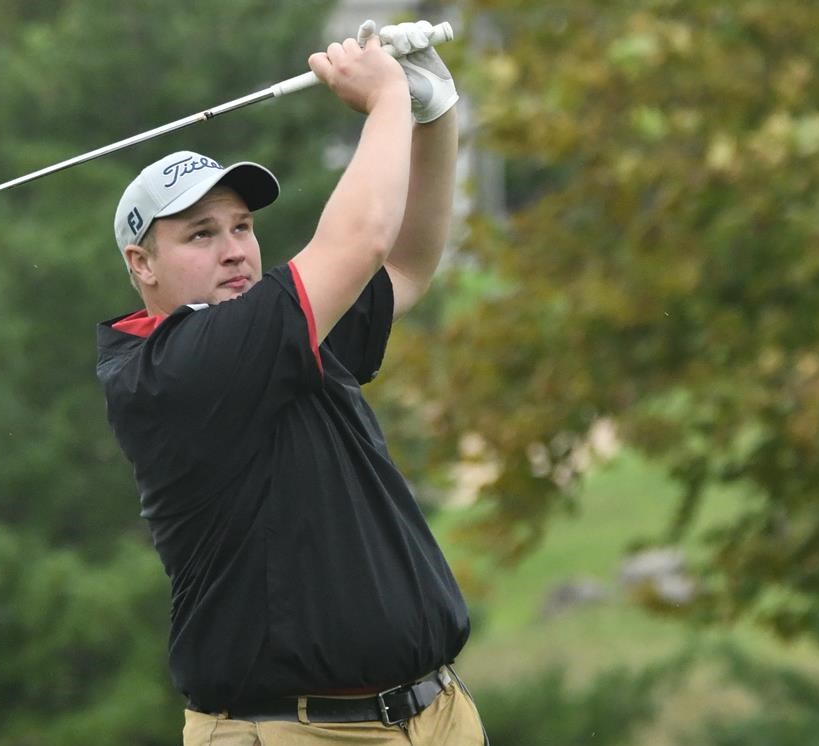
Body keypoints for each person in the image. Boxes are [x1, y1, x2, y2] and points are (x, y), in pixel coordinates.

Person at [96, 19, 485, 746]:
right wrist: (387, 100)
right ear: (141, 265)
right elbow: (360, 239)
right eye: (200, 234)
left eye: (241, 226)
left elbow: (403, 265)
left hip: (433, 715)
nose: (234, 250)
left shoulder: (274, 331)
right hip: (291, 732)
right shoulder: (180, 366)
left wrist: (433, 116)